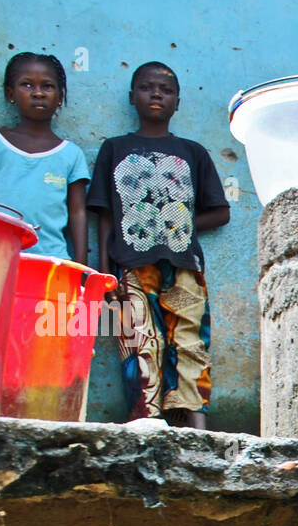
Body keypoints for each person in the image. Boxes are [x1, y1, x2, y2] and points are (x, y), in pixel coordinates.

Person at [87, 62, 230, 429]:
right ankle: (147, 423)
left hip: (184, 269)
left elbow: (220, 213)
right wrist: (103, 272)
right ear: (132, 97)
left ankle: (195, 427)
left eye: (165, 90)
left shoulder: (192, 152)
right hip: (129, 266)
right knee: (139, 343)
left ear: (177, 102)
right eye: (147, 88)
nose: (156, 94)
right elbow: (103, 214)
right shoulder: (115, 149)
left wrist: (173, 222)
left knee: (189, 341)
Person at [0, 52, 89, 262]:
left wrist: (82, 268)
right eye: (27, 85)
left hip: (54, 263)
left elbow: (77, 213)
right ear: (10, 93)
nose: (38, 93)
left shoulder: (71, 154)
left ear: (60, 98)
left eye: (47, 86)